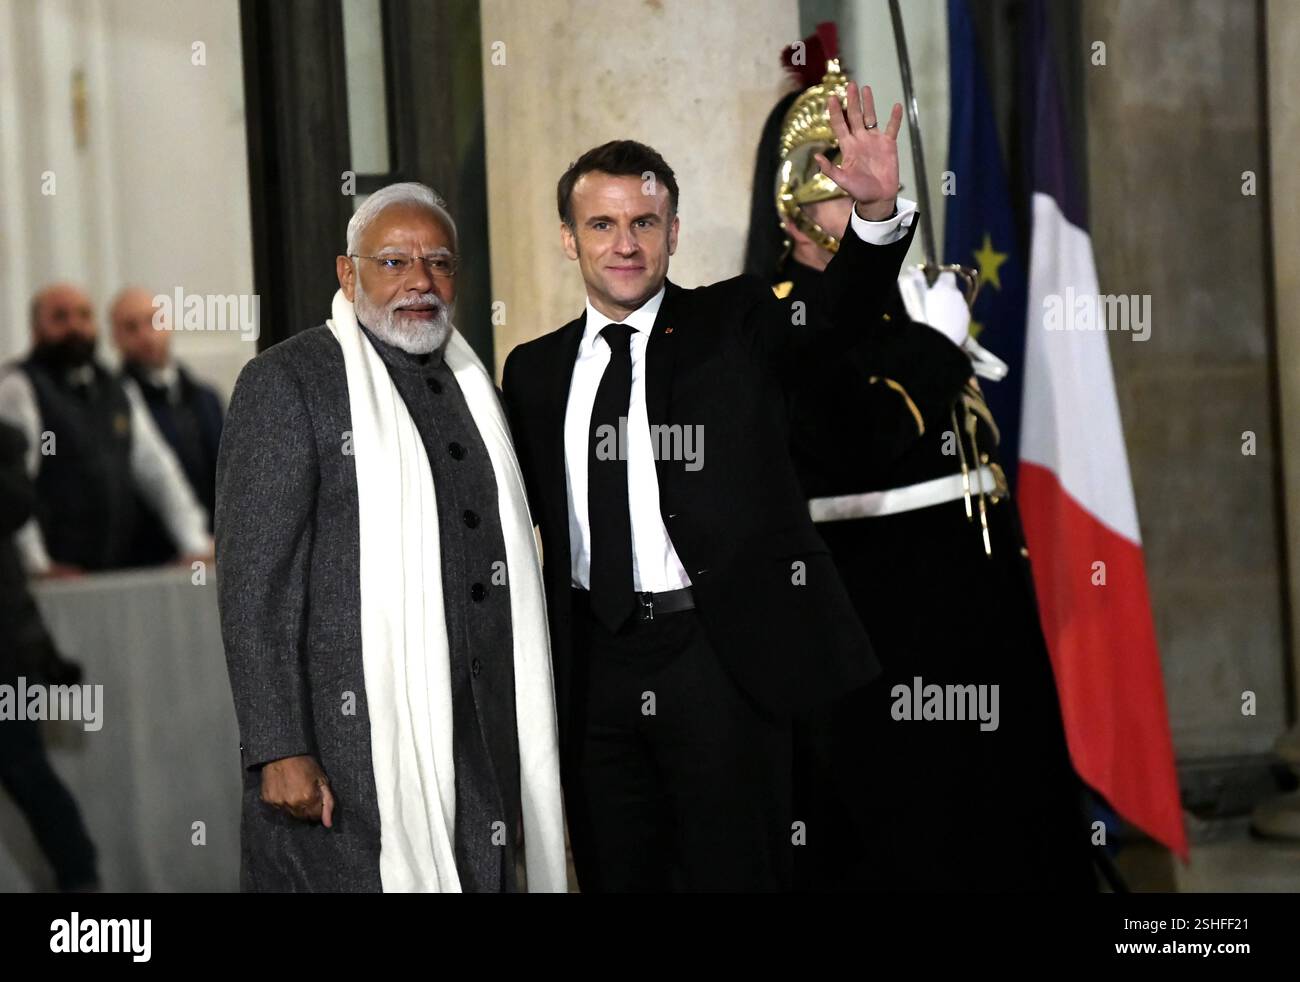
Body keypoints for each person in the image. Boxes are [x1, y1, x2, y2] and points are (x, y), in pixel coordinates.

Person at [501, 84, 947, 892]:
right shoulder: (531, 373)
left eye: (644, 223)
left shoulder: (738, 324)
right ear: (569, 241)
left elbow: (841, 311)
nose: (625, 243)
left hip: (719, 658)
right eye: (602, 224)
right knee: (616, 873)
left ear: (673, 232)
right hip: (595, 667)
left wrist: (878, 216)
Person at [746, 36, 1096, 891]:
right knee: (927, 832)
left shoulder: (905, 295)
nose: (856, 201)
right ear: (794, 207)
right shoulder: (783, 317)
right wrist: (937, 352)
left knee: (1012, 820)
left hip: (973, 599)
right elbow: (856, 442)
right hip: (891, 613)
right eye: (837, 188)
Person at [215, 182, 566, 892]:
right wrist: (278, 745)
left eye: (438, 263)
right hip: (348, 748)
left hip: (477, 738)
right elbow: (255, 584)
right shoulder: (288, 381)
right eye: (394, 263)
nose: (419, 283)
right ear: (349, 274)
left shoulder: (474, 386)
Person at [0, 283, 211, 576]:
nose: (74, 326)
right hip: (53, 578)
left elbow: (158, 472)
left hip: (111, 571)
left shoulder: (117, 391)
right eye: (60, 317)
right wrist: (37, 565)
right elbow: (15, 486)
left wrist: (196, 546)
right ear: (36, 330)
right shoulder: (19, 388)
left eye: (84, 316)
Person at [0, 419, 99, 891]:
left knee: (28, 774)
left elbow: (15, 506)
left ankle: (81, 883)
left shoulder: (6, 440)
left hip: (4, 652)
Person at [110, 287, 224, 565]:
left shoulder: (204, 398)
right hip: (149, 559)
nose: (145, 335)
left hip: (214, 550)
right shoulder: (114, 403)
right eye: (131, 327)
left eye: (153, 321)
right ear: (116, 338)